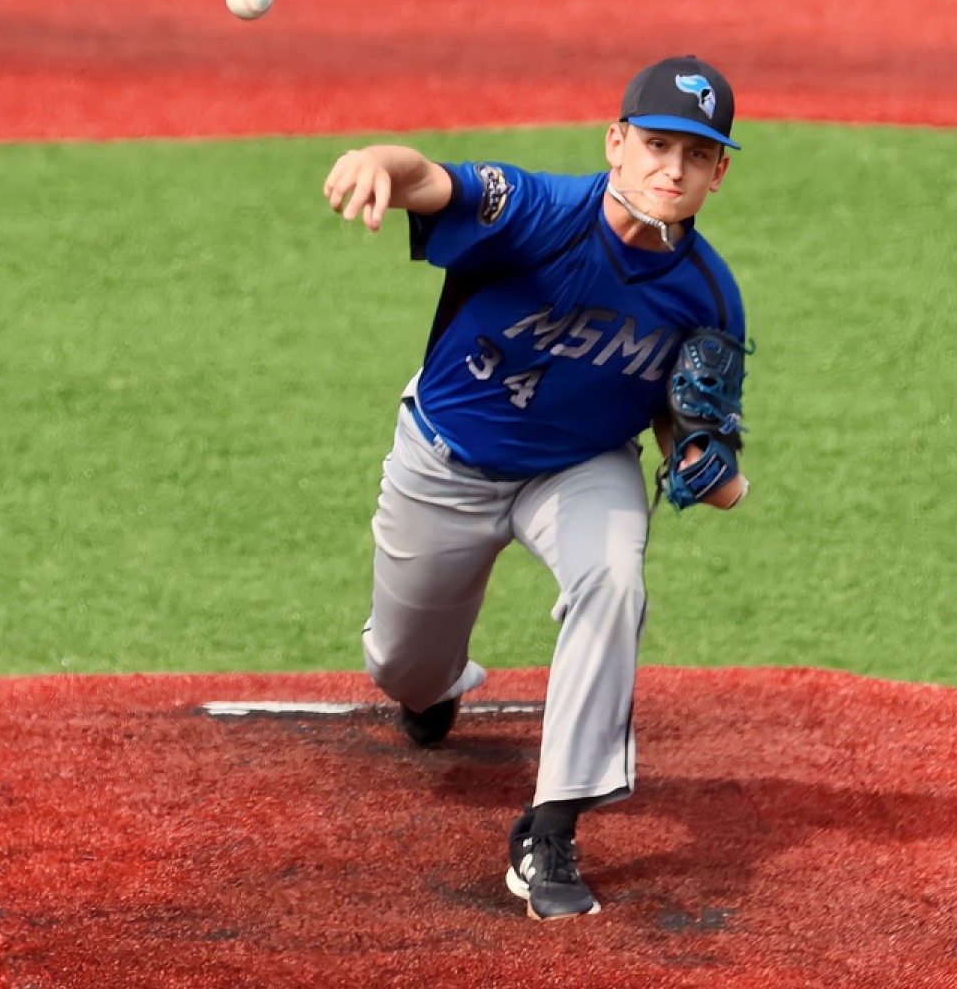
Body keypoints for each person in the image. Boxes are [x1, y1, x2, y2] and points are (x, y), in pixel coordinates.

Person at [320, 55, 752, 921]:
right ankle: (433, 689)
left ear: (718, 172)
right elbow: (431, 179)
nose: (673, 169)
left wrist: (702, 458)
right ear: (617, 142)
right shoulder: (536, 212)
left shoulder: (709, 297)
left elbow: (691, 428)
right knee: (400, 666)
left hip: (582, 467)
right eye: (658, 145)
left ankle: (550, 825)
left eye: (696, 156)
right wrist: (379, 161)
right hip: (447, 460)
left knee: (614, 581)